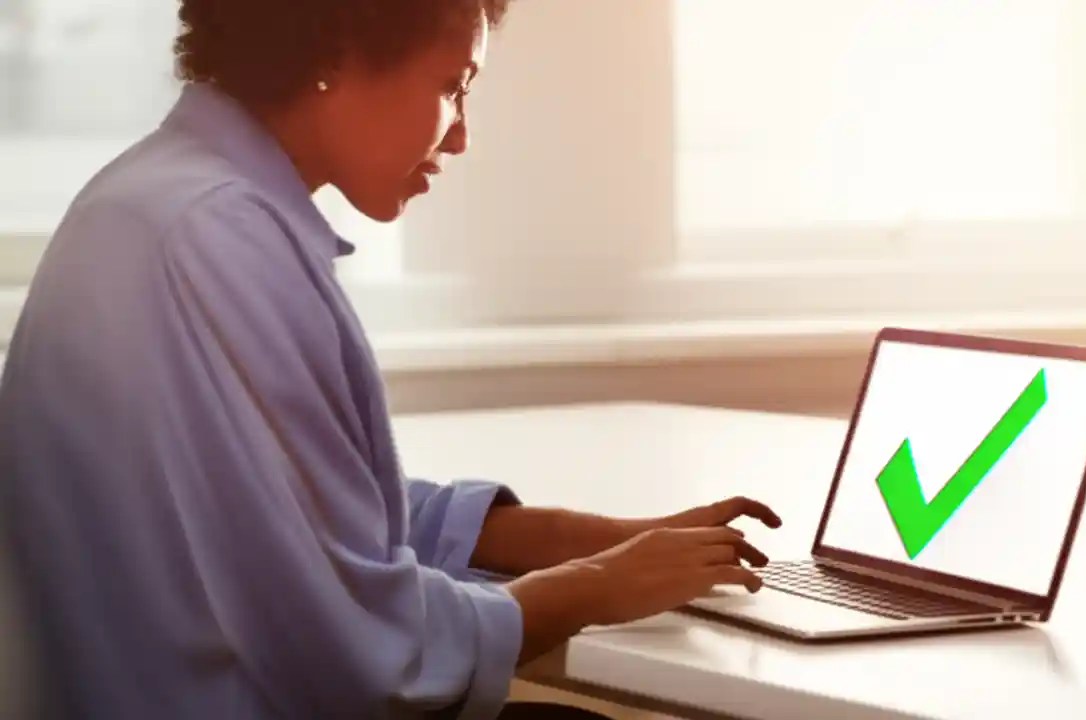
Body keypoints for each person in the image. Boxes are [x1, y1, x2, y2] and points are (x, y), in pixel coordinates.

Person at [0, 1, 782, 719]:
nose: (461, 133)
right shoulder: (220, 237)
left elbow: (298, 507)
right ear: (334, 55)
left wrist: (596, 540)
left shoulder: (160, 195)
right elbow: (360, 649)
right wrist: (593, 588)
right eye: (453, 86)